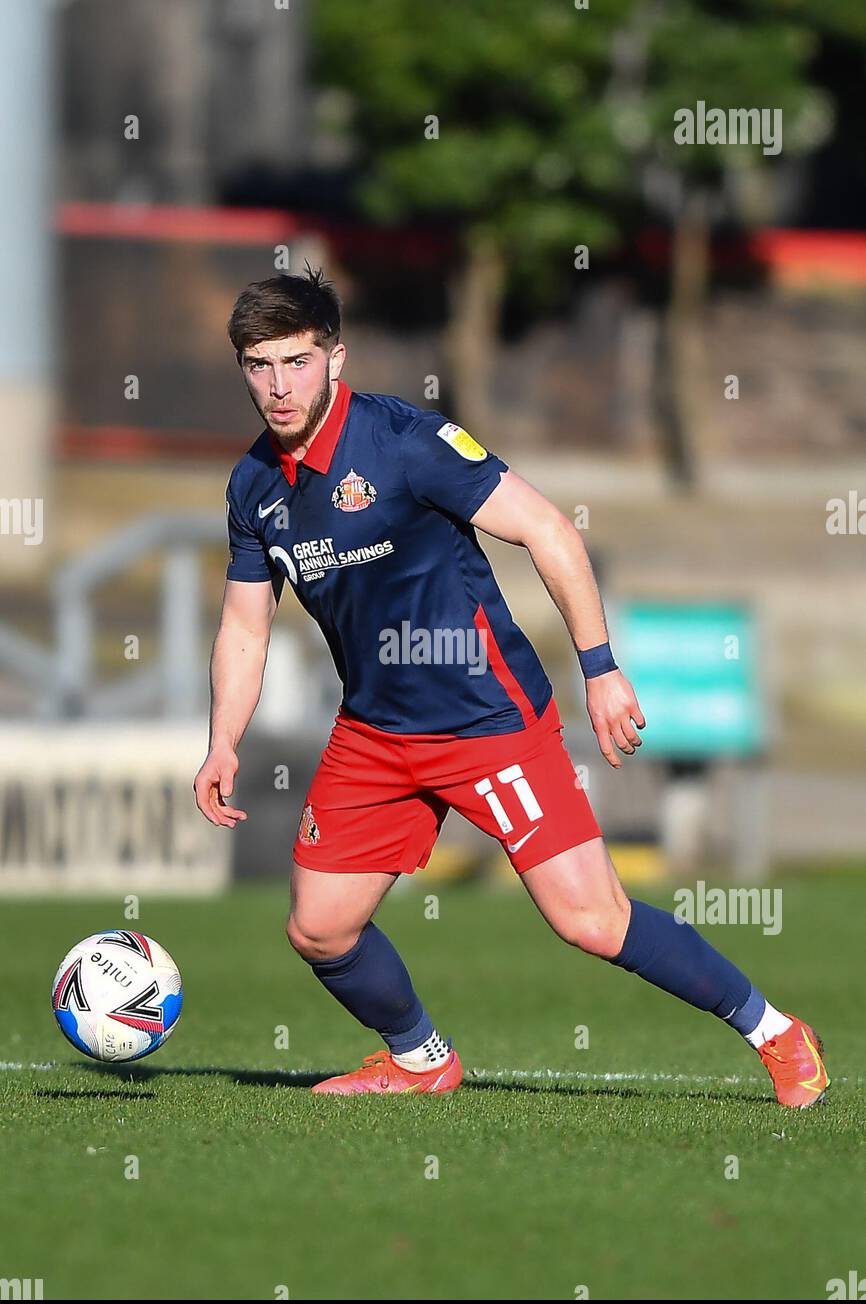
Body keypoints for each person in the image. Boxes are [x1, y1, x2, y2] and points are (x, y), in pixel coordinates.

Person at [194, 268, 828, 1108]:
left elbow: (549, 531)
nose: (278, 386)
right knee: (319, 926)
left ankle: (776, 1032)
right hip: (377, 731)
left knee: (592, 922)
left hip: (489, 719)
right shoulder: (253, 487)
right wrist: (224, 741)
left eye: (297, 362)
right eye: (258, 365)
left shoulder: (408, 442)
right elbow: (246, 624)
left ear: (336, 358)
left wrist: (600, 671)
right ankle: (421, 1059)